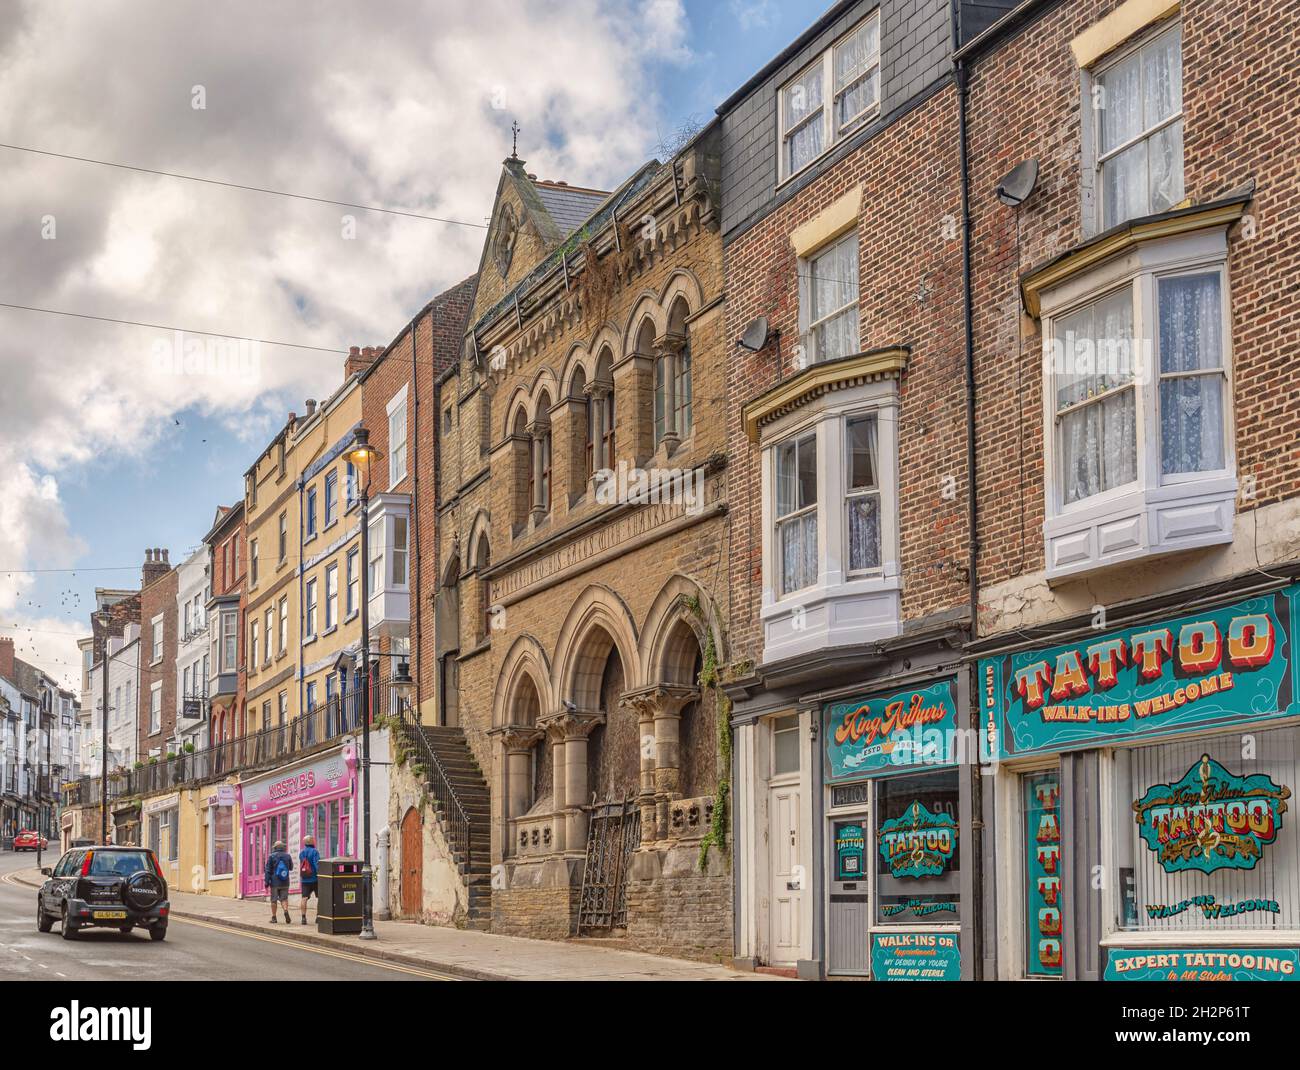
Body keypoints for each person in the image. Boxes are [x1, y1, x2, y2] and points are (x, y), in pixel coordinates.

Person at [264, 839, 294, 923]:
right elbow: (291, 868)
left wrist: (266, 882)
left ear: (275, 848)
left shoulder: (271, 856)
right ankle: (285, 911)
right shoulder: (287, 856)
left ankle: (274, 917)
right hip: (285, 881)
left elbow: (268, 870)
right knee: (284, 899)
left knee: (273, 900)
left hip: (274, 882)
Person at [298, 835, 321, 924]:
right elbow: (316, 865)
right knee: (320, 898)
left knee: (304, 898)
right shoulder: (315, 852)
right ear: (312, 842)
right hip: (315, 879)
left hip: (305, 879)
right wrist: (320, 874)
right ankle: (318, 917)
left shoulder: (301, 852)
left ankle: (303, 918)